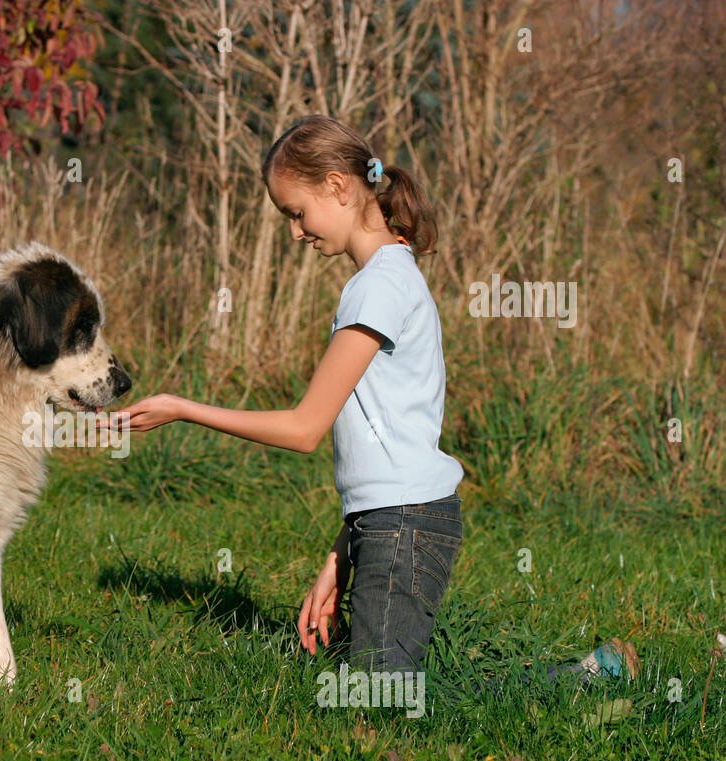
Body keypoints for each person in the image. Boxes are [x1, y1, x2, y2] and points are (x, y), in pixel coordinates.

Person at [107, 114, 638, 683]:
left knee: (381, 695)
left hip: (407, 523)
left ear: (337, 186)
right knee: (373, 677)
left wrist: (183, 408)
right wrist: (339, 559)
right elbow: (377, 450)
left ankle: (590, 677)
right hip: (390, 520)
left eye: (296, 212)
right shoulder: (384, 277)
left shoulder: (380, 285)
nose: (295, 231)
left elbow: (305, 428)